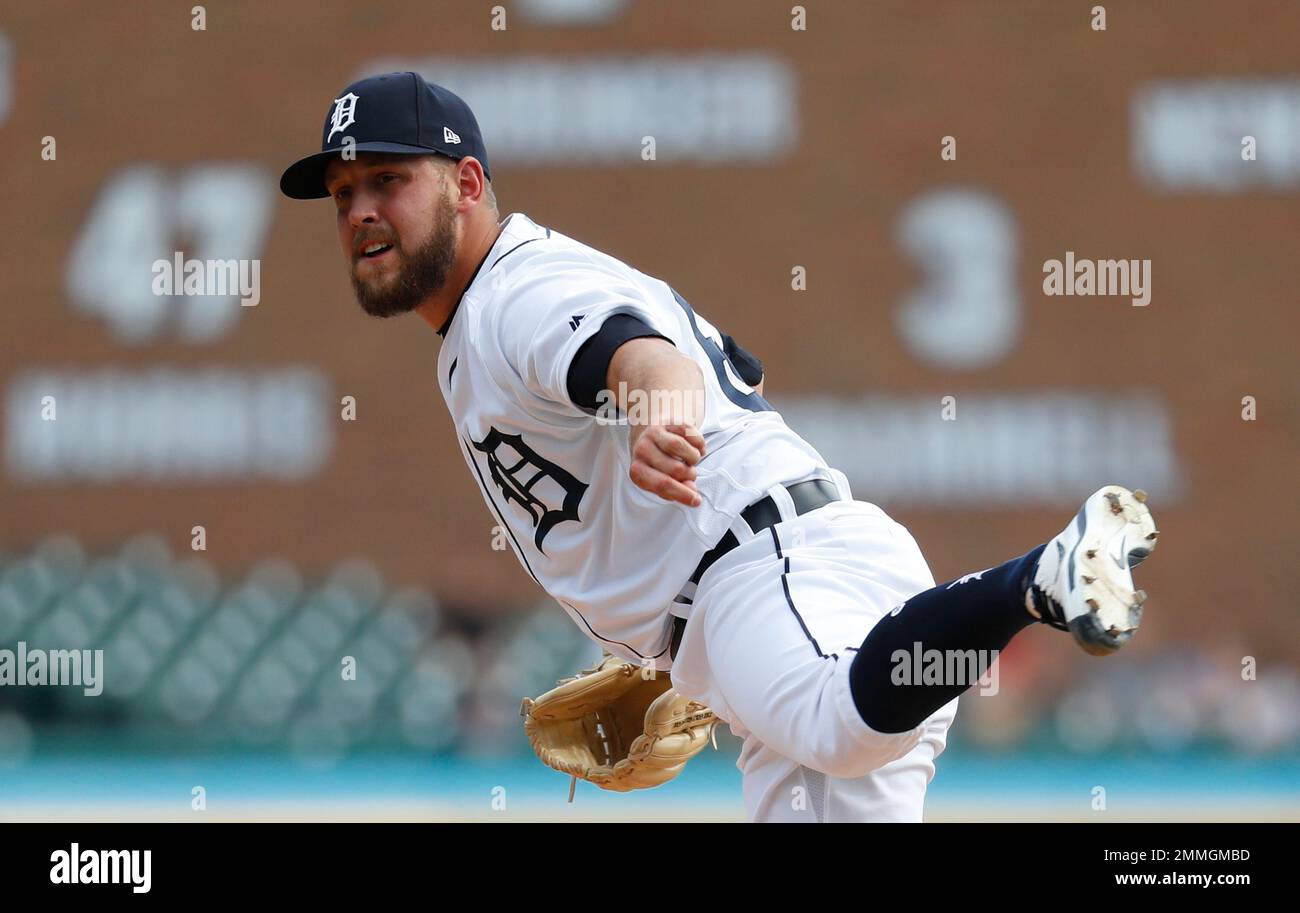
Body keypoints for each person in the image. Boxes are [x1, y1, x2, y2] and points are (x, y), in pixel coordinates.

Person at [280, 72, 1159, 822]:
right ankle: (1013, 595)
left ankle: (1036, 580)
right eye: (344, 193)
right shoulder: (481, 318)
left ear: (467, 182)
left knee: (838, 726)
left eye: (388, 180)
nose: (360, 210)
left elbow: (638, 353)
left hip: (767, 569)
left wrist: (658, 411)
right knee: (839, 731)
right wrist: (662, 662)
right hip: (764, 594)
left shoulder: (516, 294)